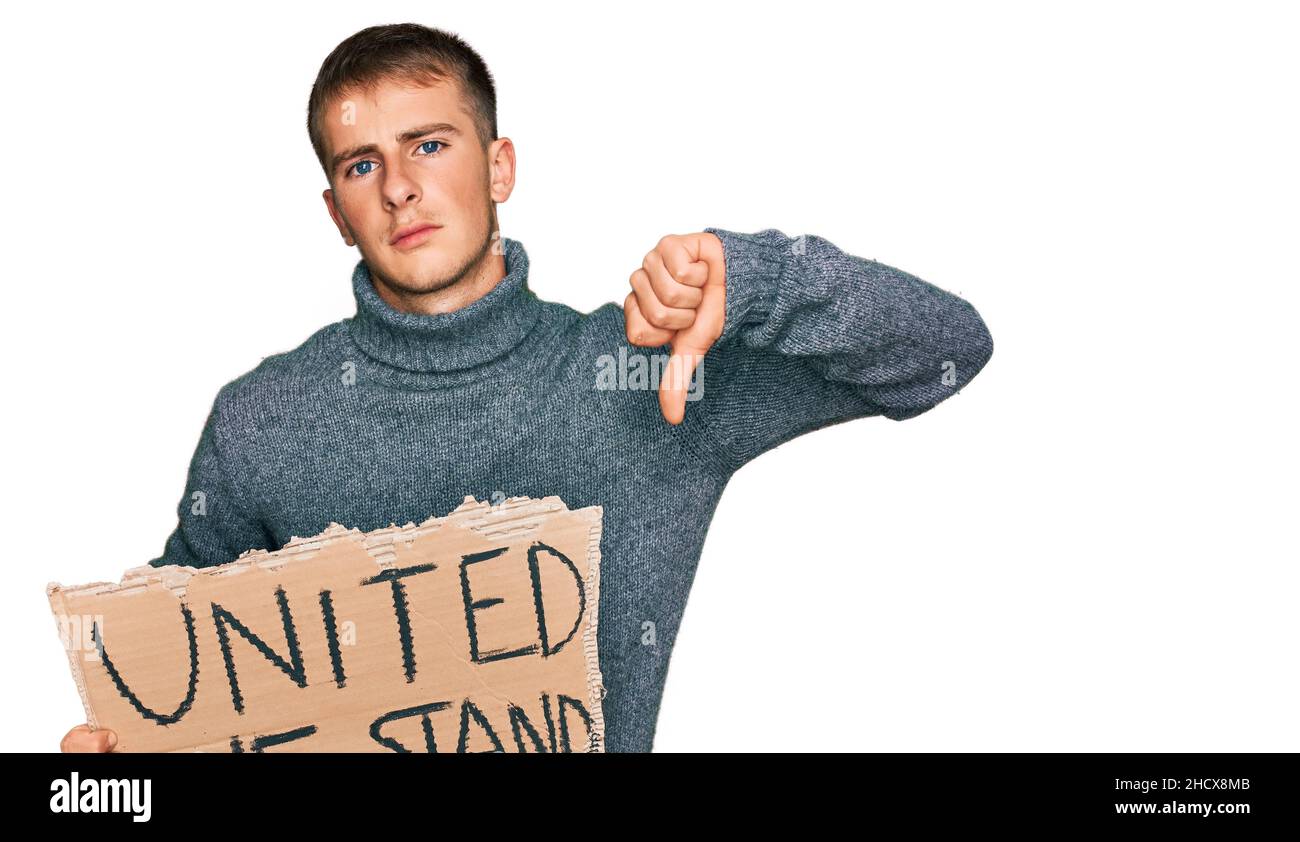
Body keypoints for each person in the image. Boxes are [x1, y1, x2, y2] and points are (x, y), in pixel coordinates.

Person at [62, 22, 993, 753]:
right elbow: (169, 692)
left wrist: (753, 282)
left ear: (498, 166)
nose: (398, 189)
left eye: (428, 145)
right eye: (361, 165)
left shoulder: (641, 372)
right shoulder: (262, 421)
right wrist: (107, 778)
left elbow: (947, 353)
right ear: (336, 213)